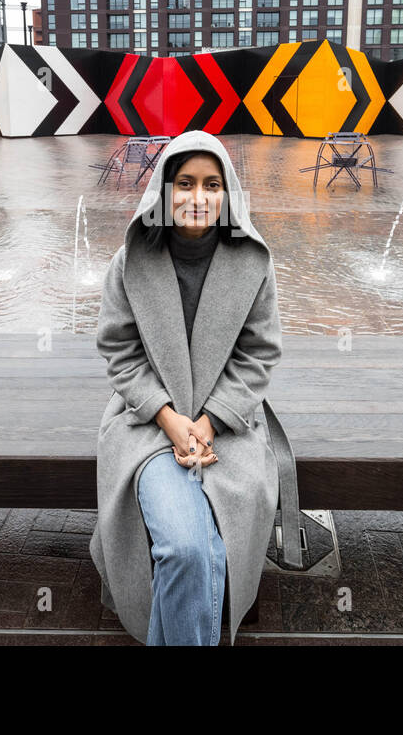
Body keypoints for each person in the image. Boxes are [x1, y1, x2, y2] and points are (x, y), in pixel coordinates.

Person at [89, 130, 301, 645]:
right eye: (184, 183)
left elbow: (259, 353)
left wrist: (206, 422)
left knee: (205, 548)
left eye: (211, 184)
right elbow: (120, 349)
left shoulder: (253, 262)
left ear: (227, 193)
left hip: (226, 425)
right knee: (188, 549)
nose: (197, 197)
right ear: (163, 191)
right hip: (146, 423)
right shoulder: (131, 261)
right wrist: (168, 417)